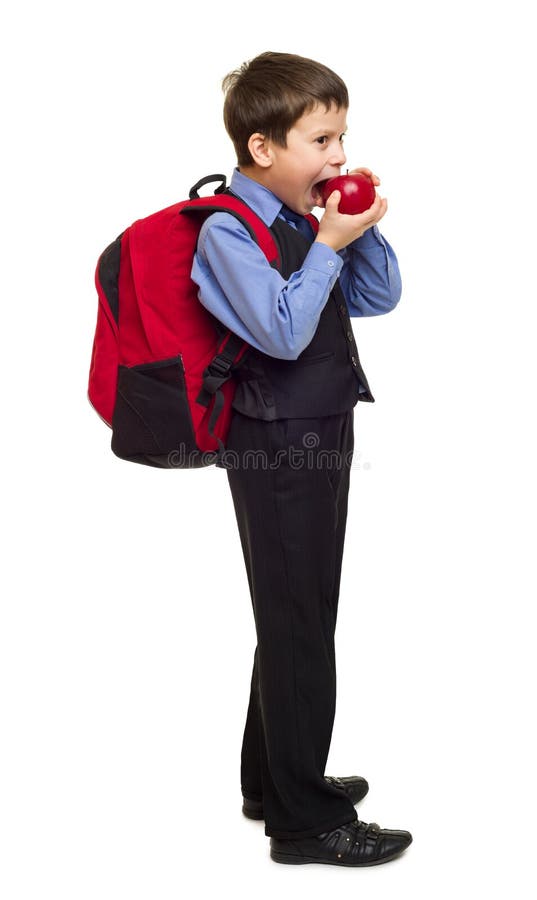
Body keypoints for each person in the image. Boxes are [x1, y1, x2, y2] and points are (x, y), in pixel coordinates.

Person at [190, 50, 412, 867]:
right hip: (276, 442)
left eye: (341, 137)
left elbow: (375, 298)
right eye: (321, 140)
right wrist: (326, 236)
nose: (339, 156)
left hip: (317, 429)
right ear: (262, 149)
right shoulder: (227, 229)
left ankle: (270, 781)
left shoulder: (296, 220)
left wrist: (357, 231)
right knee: (298, 623)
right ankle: (305, 822)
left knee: (298, 612)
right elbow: (280, 331)